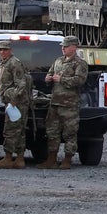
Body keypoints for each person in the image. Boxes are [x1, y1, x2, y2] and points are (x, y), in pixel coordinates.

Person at [39, 35, 87, 170]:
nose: (63, 49)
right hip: (55, 103)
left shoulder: (80, 64)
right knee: (52, 132)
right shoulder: (58, 61)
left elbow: (80, 80)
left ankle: (67, 159)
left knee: (70, 133)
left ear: (73, 47)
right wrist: (48, 78)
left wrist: (62, 79)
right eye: (62, 46)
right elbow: (49, 74)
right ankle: (51, 159)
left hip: (69, 104)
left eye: (65, 46)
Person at [0, 40, 30, 169]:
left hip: (17, 103)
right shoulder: (4, 63)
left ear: (10, 50)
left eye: (5, 49)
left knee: (11, 130)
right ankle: (19, 159)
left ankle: (8, 158)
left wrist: (13, 101)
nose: (2, 52)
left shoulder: (14, 63)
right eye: (0, 49)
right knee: (19, 131)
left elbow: (21, 84)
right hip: (12, 101)